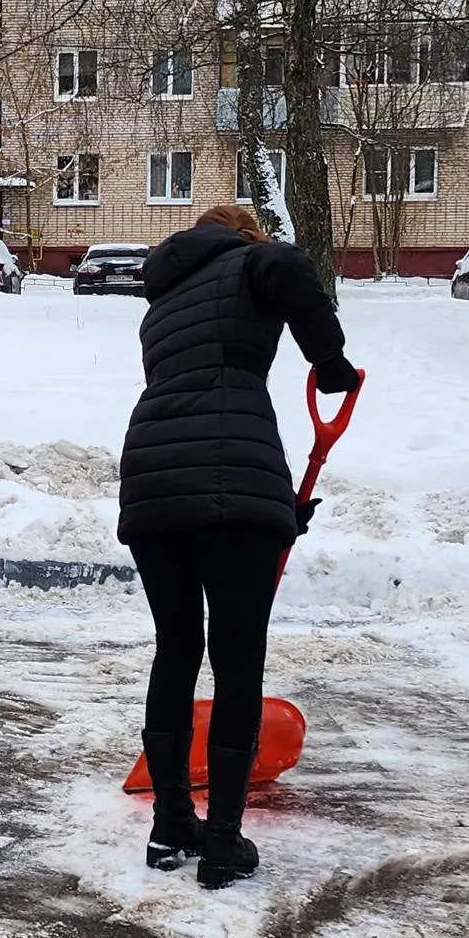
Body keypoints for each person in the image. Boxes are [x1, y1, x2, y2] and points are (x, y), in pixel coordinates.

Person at [117, 206, 360, 890]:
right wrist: (329, 359)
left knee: (176, 648)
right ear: (242, 234)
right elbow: (286, 263)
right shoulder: (251, 261)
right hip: (231, 472)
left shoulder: (162, 302)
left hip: (153, 482)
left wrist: (278, 512)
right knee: (237, 655)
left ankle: (171, 827)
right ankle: (222, 841)